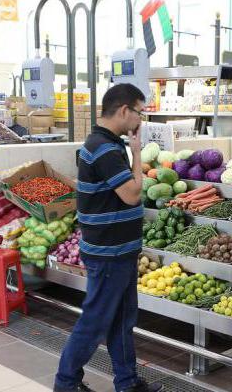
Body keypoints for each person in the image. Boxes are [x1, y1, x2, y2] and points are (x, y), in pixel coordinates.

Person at [54, 84, 161, 392]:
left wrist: (132, 151)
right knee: (96, 321)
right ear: (125, 110)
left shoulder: (109, 144)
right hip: (108, 253)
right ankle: (66, 383)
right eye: (139, 111)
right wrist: (137, 154)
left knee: (121, 321)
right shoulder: (104, 147)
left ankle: (127, 383)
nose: (140, 119)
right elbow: (132, 194)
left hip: (119, 250)